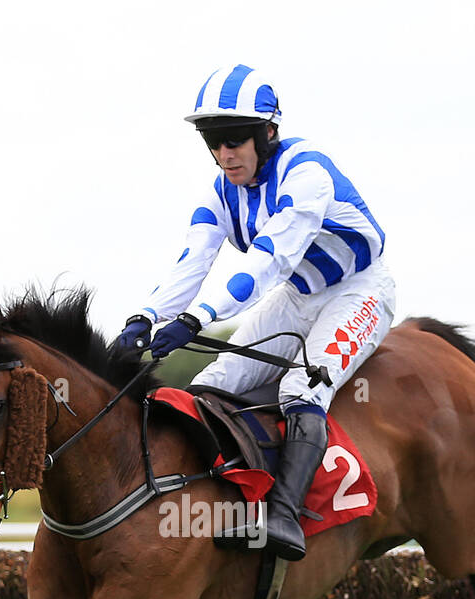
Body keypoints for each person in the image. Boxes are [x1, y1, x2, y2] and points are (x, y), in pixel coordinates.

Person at [114, 64, 396, 561]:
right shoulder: (219, 192)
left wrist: (194, 320)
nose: (225, 154)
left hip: (358, 292)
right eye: (213, 141)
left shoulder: (306, 174)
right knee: (209, 386)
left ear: (268, 133)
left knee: (298, 387)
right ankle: (225, 499)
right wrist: (144, 316)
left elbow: (268, 263)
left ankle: (285, 516)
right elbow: (192, 263)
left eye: (235, 139)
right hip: (296, 298)